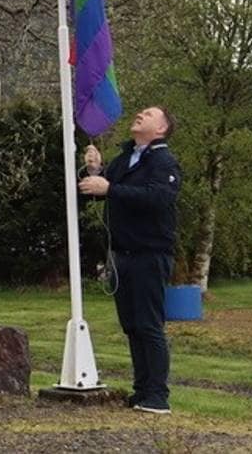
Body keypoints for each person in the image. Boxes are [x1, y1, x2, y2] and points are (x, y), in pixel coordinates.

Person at [79, 104, 180, 415]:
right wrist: (95, 172)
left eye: (149, 115)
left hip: (150, 254)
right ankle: (142, 392)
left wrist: (110, 188)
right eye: (141, 112)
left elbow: (159, 198)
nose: (140, 115)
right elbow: (99, 191)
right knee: (132, 326)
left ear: (161, 129)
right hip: (122, 255)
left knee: (149, 324)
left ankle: (158, 396)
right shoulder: (127, 158)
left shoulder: (164, 162)